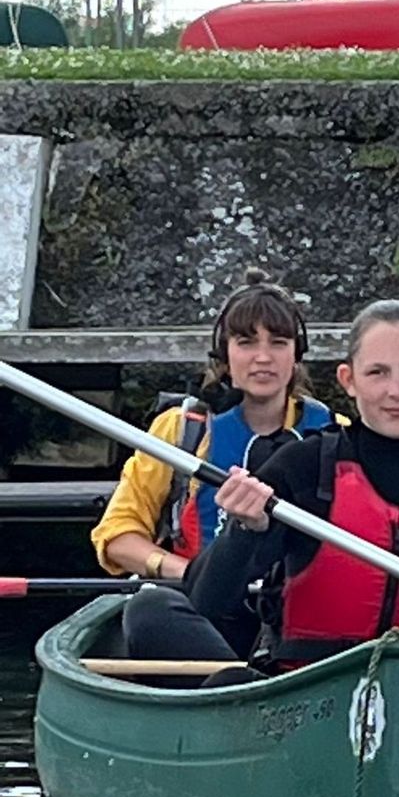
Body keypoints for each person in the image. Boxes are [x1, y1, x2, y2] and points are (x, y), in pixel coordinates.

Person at [129, 298, 399, 676]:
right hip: (304, 693)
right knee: (151, 610)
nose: (396, 391)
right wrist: (244, 530)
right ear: (349, 380)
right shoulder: (303, 467)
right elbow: (207, 600)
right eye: (377, 373)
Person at [94, 269, 334, 664]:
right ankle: (241, 684)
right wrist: (185, 572)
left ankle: (249, 681)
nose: (262, 357)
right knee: (148, 613)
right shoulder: (180, 431)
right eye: (246, 342)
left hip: (298, 613)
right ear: (224, 354)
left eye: (278, 342)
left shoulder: (331, 434)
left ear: (296, 355)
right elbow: (116, 536)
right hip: (206, 606)